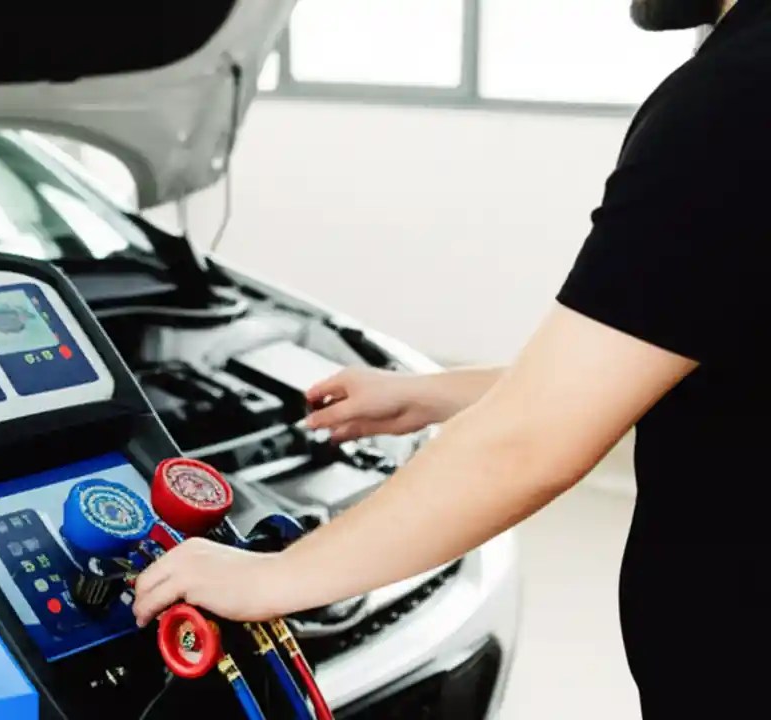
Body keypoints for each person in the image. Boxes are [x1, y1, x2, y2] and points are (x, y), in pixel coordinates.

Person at [131, 0, 770, 714]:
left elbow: (529, 439)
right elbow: (683, 358)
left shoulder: (735, 99)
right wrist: (429, 394)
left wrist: (275, 578)